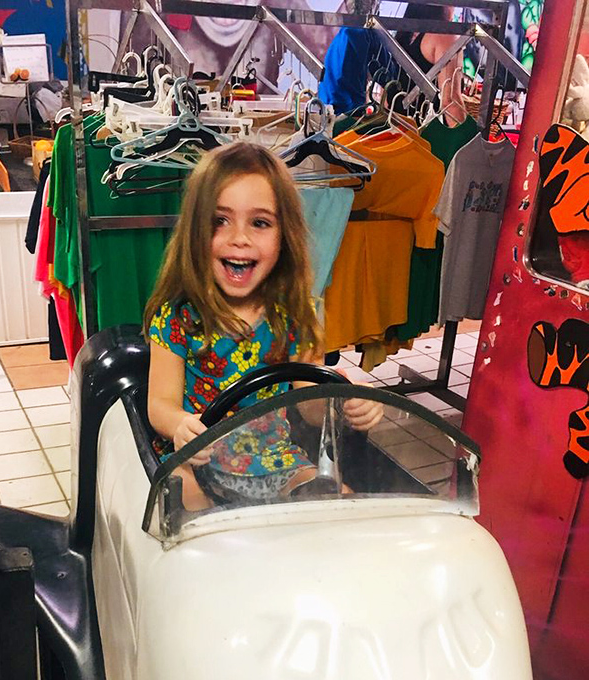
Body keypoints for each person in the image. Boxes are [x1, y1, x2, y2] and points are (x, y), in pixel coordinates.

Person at [143, 142, 383, 509]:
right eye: (219, 221)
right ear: (194, 232)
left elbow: (311, 406)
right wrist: (178, 425)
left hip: (275, 461)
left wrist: (348, 403)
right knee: (181, 494)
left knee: (336, 499)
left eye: (259, 223)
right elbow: (160, 403)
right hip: (199, 460)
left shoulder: (294, 315)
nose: (240, 238)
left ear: (284, 236)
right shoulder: (176, 318)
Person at [396, 3, 466, 127]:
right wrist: (467, 140)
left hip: (396, 128)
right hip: (426, 134)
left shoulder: (406, 31)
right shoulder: (445, 36)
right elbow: (450, 101)